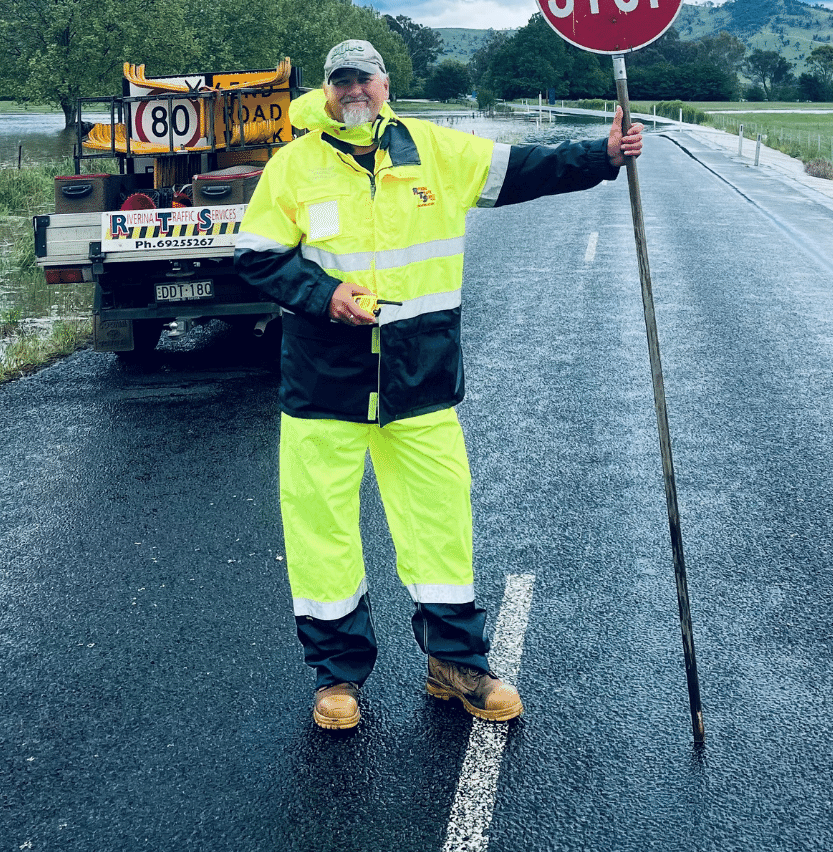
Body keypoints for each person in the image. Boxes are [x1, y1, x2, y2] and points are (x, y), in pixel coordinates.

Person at [234, 38, 643, 730]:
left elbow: (524, 169)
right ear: (326, 92)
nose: (353, 90)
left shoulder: (432, 151)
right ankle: (337, 677)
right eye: (341, 82)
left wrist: (600, 157)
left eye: (363, 78)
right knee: (321, 531)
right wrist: (324, 293)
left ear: (385, 84)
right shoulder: (293, 165)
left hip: (419, 377)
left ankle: (454, 665)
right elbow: (257, 257)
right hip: (321, 386)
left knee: (440, 526)